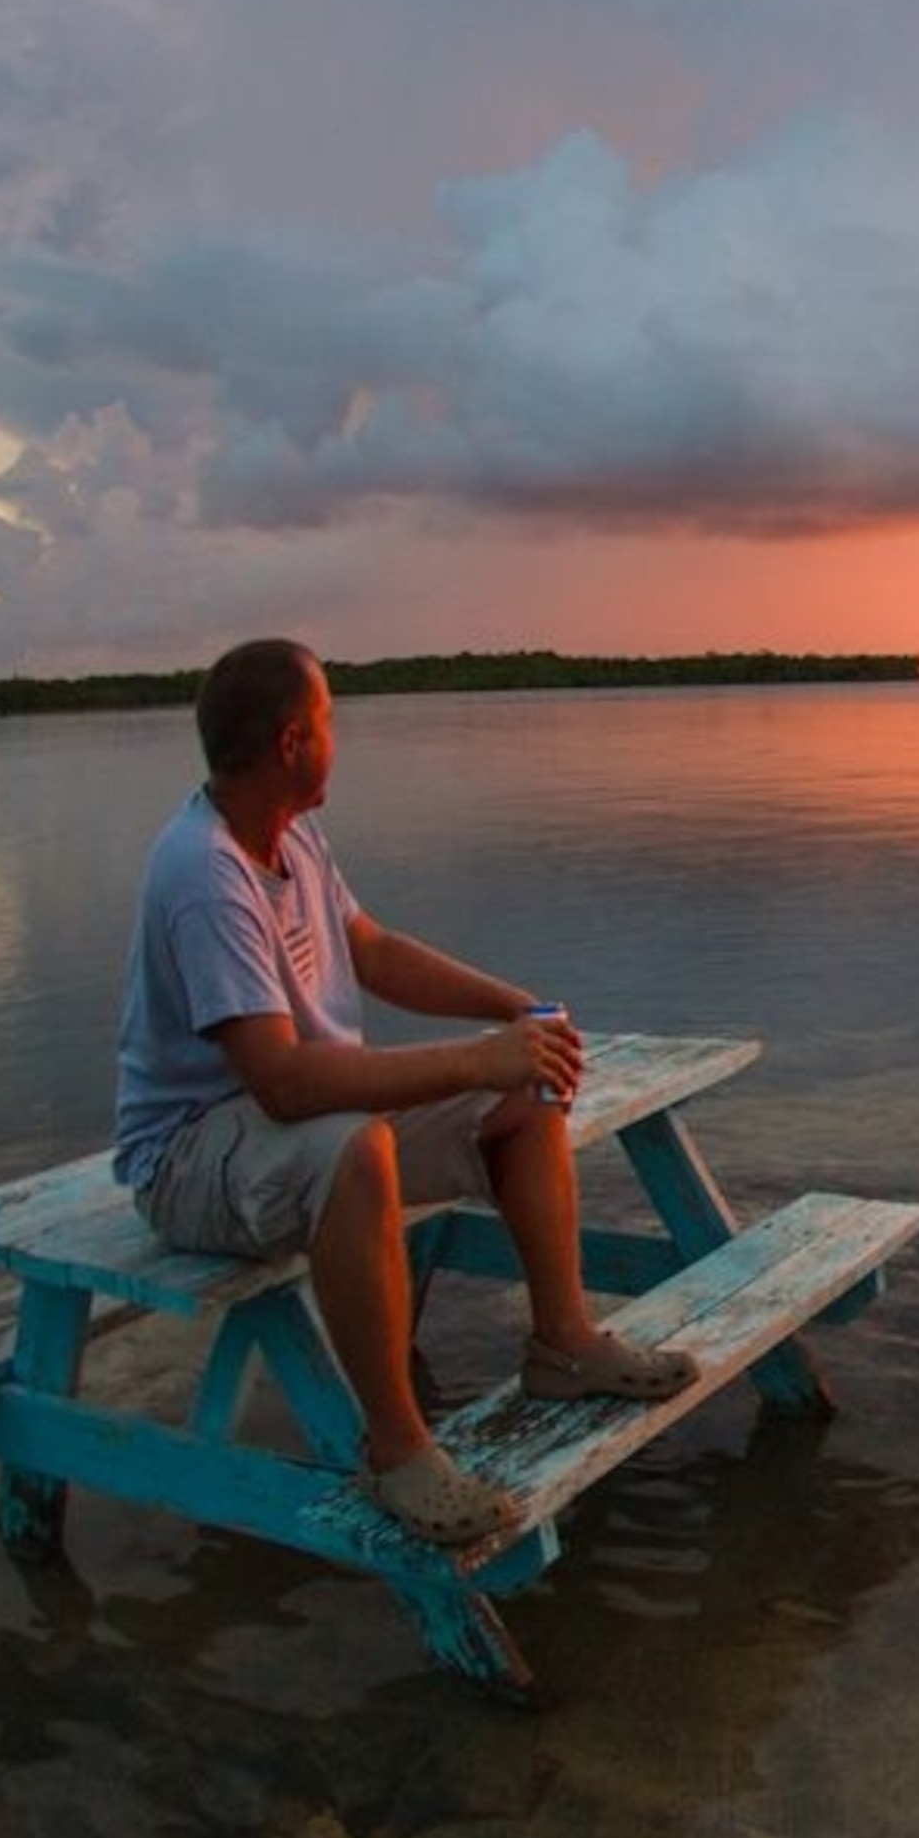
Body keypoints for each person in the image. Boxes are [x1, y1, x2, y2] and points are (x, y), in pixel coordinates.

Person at [114, 638, 694, 1547]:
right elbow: (283, 1081)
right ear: (293, 741)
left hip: (298, 1118)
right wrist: (474, 1061)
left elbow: (371, 948)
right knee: (356, 1147)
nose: (341, 738)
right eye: (332, 720)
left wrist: (516, 1015)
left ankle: (563, 1344)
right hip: (191, 1158)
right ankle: (397, 1451)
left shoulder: (292, 833)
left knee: (529, 1088)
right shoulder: (203, 874)